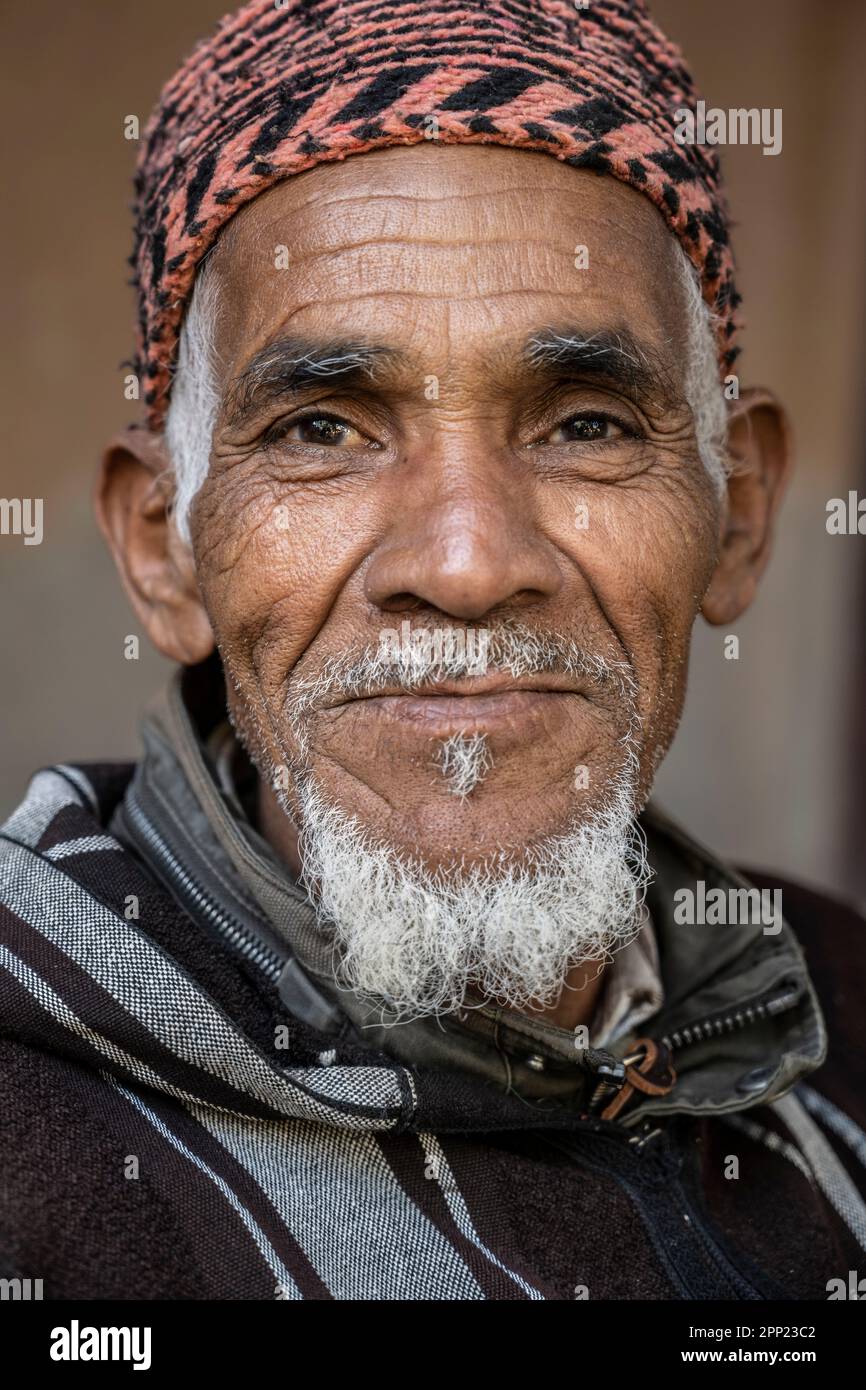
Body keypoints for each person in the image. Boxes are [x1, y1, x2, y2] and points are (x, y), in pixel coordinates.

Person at [1, 0, 864, 1301]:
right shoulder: (32, 1160)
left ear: (736, 516)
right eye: (321, 429)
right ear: (161, 546)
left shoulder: (835, 980)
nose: (465, 564)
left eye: (583, 421)